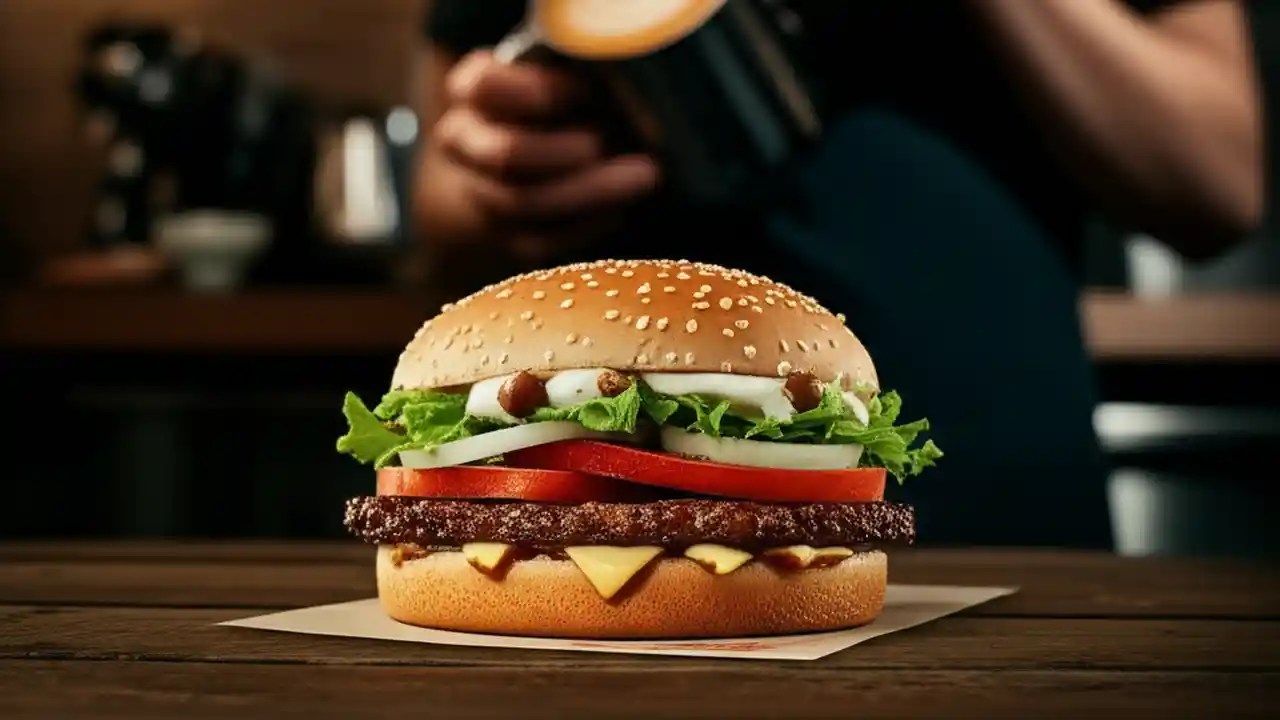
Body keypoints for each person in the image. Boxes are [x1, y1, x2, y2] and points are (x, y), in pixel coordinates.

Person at [406, 0, 1264, 548]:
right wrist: (494, 175)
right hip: (595, 501)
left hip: (992, 496)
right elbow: (439, 205)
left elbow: (1218, 180)